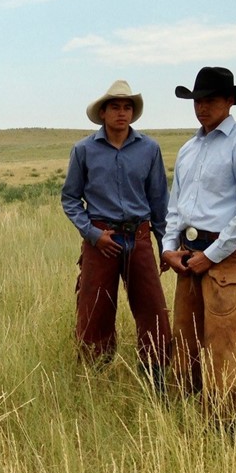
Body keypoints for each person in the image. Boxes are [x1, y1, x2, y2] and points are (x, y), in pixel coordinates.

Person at [160, 66, 236, 422]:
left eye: (210, 100)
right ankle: (188, 414)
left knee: (223, 339)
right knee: (187, 336)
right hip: (189, 256)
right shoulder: (189, 149)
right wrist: (168, 246)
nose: (202, 107)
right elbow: (176, 205)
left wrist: (212, 255)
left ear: (230, 101)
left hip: (224, 256)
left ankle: (228, 422)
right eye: (197, 100)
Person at [61, 79, 171, 390]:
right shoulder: (84, 150)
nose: (122, 113)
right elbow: (70, 198)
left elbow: (159, 200)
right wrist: (93, 234)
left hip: (139, 236)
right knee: (95, 308)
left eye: (127, 107)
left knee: (152, 307)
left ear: (133, 113)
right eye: (115, 107)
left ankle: (156, 377)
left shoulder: (149, 149)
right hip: (101, 239)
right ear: (103, 112)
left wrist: (165, 244)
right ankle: (94, 378)